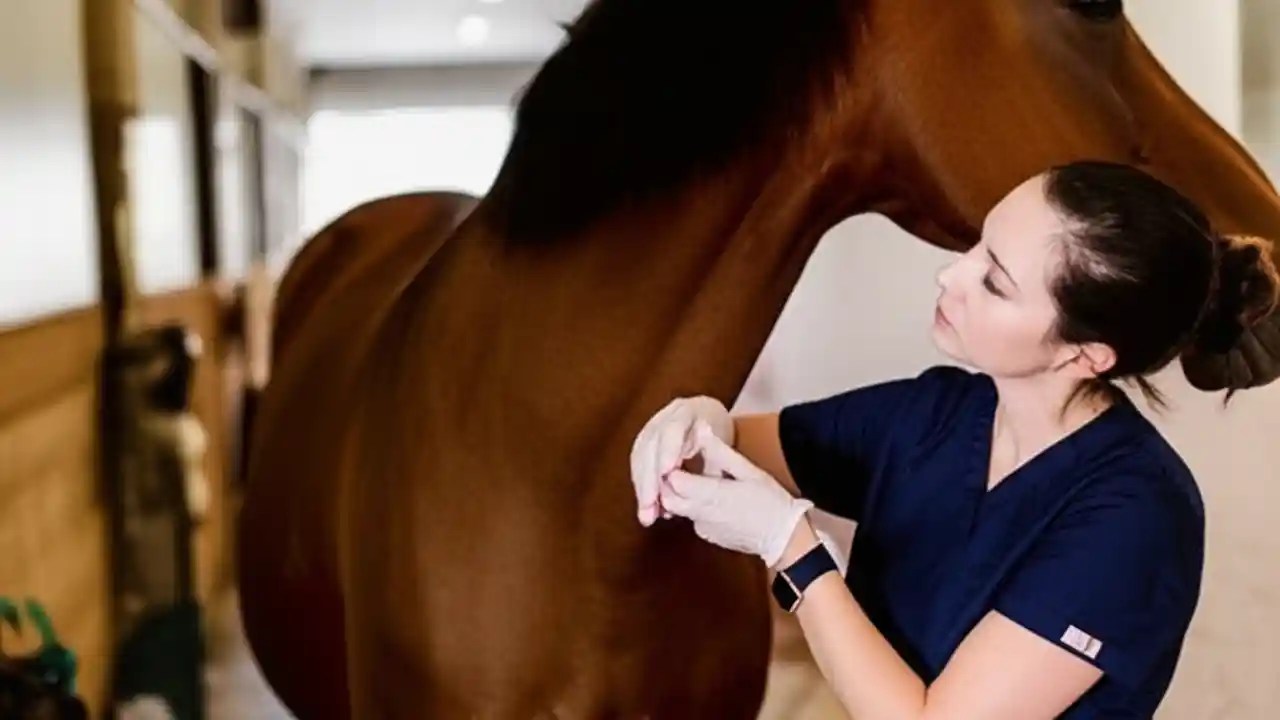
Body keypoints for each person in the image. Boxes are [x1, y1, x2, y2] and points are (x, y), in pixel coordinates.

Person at [629, 160, 1280, 719]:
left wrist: (792, 547)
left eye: (995, 281)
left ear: (1086, 355)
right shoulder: (939, 411)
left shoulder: (1135, 515)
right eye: (976, 245)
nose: (950, 277)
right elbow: (737, 446)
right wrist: (699, 420)